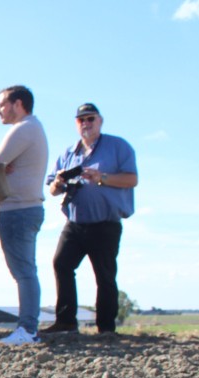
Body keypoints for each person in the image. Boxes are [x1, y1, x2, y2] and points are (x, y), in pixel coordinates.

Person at [42, 103, 137, 336]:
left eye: (90, 119)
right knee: (61, 264)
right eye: (81, 120)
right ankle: (65, 322)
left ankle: (106, 328)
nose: (85, 123)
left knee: (104, 275)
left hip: (105, 224)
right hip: (75, 222)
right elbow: (52, 188)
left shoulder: (118, 146)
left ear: (100, 121)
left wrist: (101, 177)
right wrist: (58, 183)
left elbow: (132, 179)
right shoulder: (69, 153)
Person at [0, 85, 50, 346]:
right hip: (26, 208)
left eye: (2, 104)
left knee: (24, 271)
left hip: (18, 209)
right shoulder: (33, 129)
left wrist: (0, 167)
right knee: (26, 270)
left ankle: (27, 329)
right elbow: (0, 165)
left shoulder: (23, 129)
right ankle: (28, 327)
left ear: (18, 104)